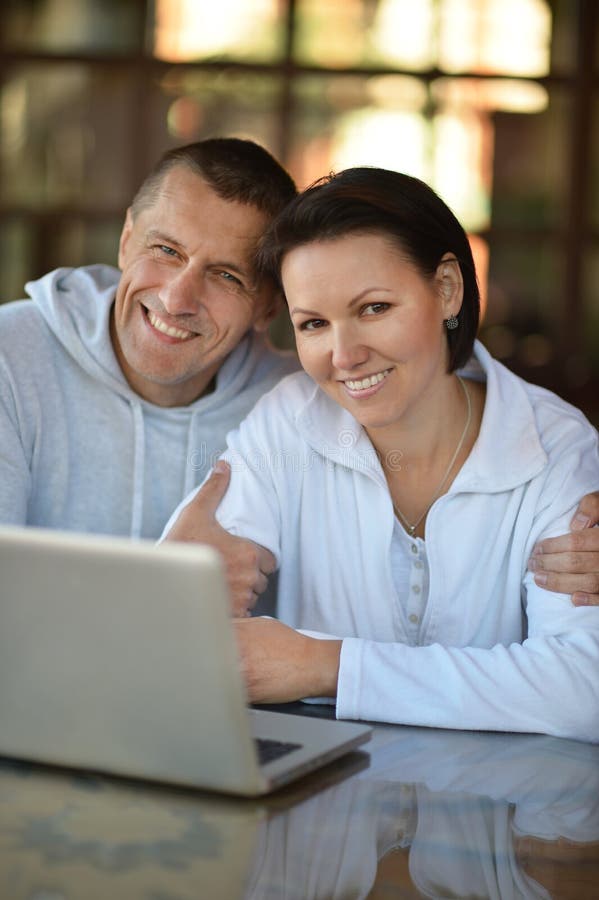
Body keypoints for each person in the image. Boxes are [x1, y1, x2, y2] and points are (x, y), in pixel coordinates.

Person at [164, 167, 599, 741]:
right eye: (314, 323)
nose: (344, 355)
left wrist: (326, 667)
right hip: (322, 794)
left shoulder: (555, 447)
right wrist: (177, 583)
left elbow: (582, 689)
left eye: (373, 308)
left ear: (447, 289)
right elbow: (178, 642)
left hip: (498, 797)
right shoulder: (287, 424)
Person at [0, 138, 299, 612]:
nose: (177, 300)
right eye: (165, 250)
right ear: (126, 241)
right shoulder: (10, 357)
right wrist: (170, 590)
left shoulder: (299, 409)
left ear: (268, 308)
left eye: (226, 276)